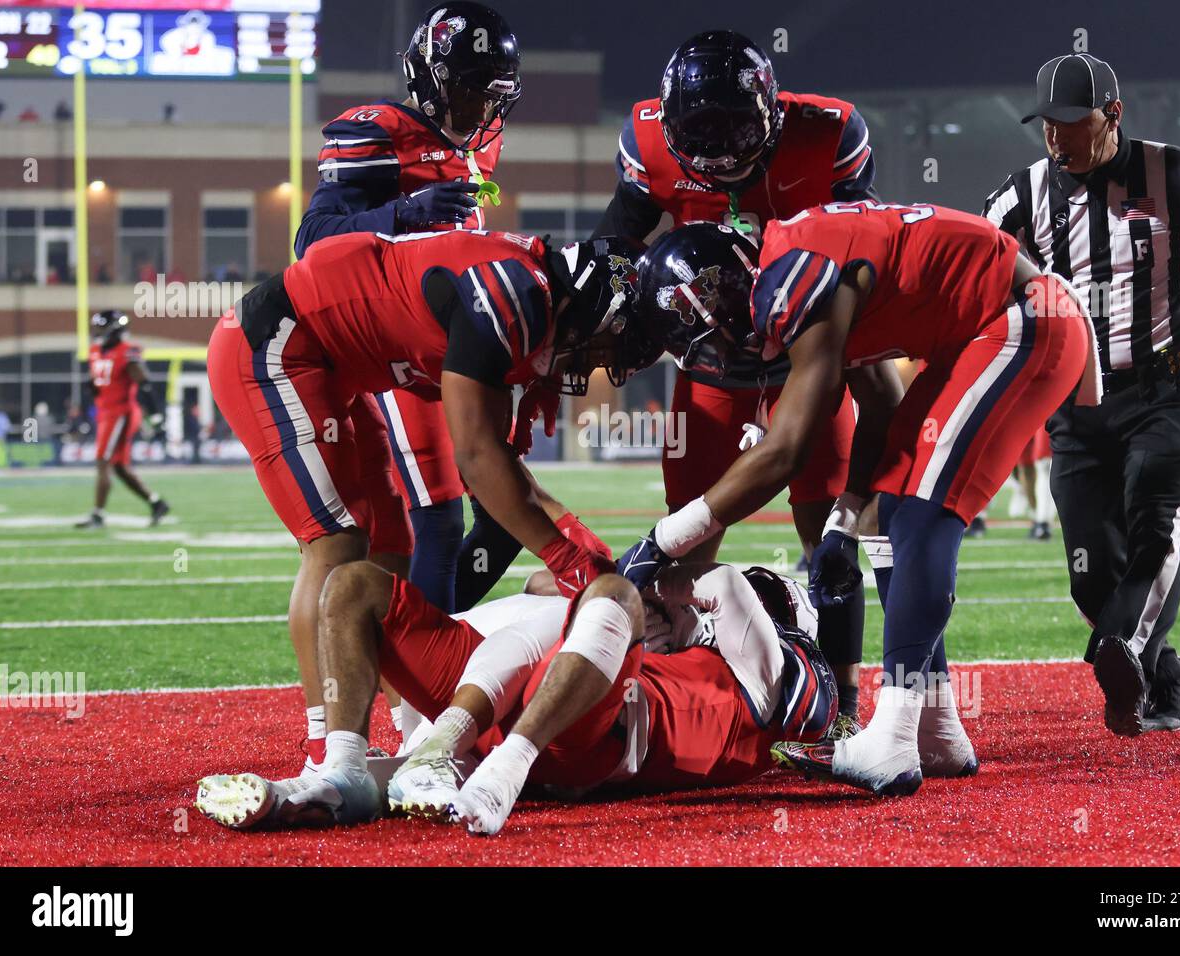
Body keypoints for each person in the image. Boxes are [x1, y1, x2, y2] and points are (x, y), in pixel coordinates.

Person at [623, 205, 1093, 797]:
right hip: (988, 327)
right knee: (890, 514)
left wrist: (662, 540)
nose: (725, 352)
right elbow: (880, 407)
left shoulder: (790, 279)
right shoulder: (799, 265)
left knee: (923, 510)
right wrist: (844, 524)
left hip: (1021, 319)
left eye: (715, 333)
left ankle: (891, 741)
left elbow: (787, 451)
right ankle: (936, 727)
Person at [206, 226, 654, 773]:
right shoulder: (511, 294)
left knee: (393, 541)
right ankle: (324, 747)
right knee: (336, 541)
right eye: (605, 346)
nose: (596, 365)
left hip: (339, 368)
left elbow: (504, 473)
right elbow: (478, 459)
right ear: (589, 309)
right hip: (276, 344)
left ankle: (409, 730)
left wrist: (581, 548)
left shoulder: (529, 298)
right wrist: (564, 559)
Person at [983, 53, 1180, 735]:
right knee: (1090, 575)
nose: (1055, 139)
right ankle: (1164, 674)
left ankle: (1119, 654)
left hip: (1166, 388)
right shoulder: (1024, 192)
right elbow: (974, 263)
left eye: (1070, 123)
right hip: (1075, 402)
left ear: (1112, 115)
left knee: (1155, 522)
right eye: (1046, 126)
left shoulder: (1172, 172)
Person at [595, 30, 877, 735]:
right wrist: (611, 319)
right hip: (711, 365)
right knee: (690, 545)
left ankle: (841, 703)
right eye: (702, 134)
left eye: (737, 130)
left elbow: (864, 255)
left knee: (832, 540)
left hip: (805, 358)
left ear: (772, 112)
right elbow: (614, 251)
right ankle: (683, 689)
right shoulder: (649, 138)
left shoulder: (828, 133)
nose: (721, 150)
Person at [194, 561, 836, 834]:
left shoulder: (750, 678)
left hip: (561, 735)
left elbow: (718, 579)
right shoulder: (742, 723)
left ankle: (428, 756)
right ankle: (331, 778)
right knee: (354, 586)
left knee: (610, 597)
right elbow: (545, 592)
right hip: (533, 717)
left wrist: (665, 589)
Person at [295, 1, 525, 616]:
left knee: (504, 522)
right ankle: (429, 678)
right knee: (441, 521)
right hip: (397, 346)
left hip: (464, 342)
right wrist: (404, 214)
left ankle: (426, 641)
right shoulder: (377, 132)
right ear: (431, 78)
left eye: (494, 94)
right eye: (472, 92)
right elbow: (311, 239)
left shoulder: (487, 136)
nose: (484, 110)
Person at [74, 311, 170, 528]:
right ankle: (156, 503)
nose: (96, 332)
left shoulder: (127, 353)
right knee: (118, 466)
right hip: (104, 413)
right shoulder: (95, 351)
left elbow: (144, 385)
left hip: (121, 413)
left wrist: (155, 419)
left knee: (102, 460)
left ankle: (98, 515)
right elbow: (97, 383)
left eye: (100, 328)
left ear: (113, 330)